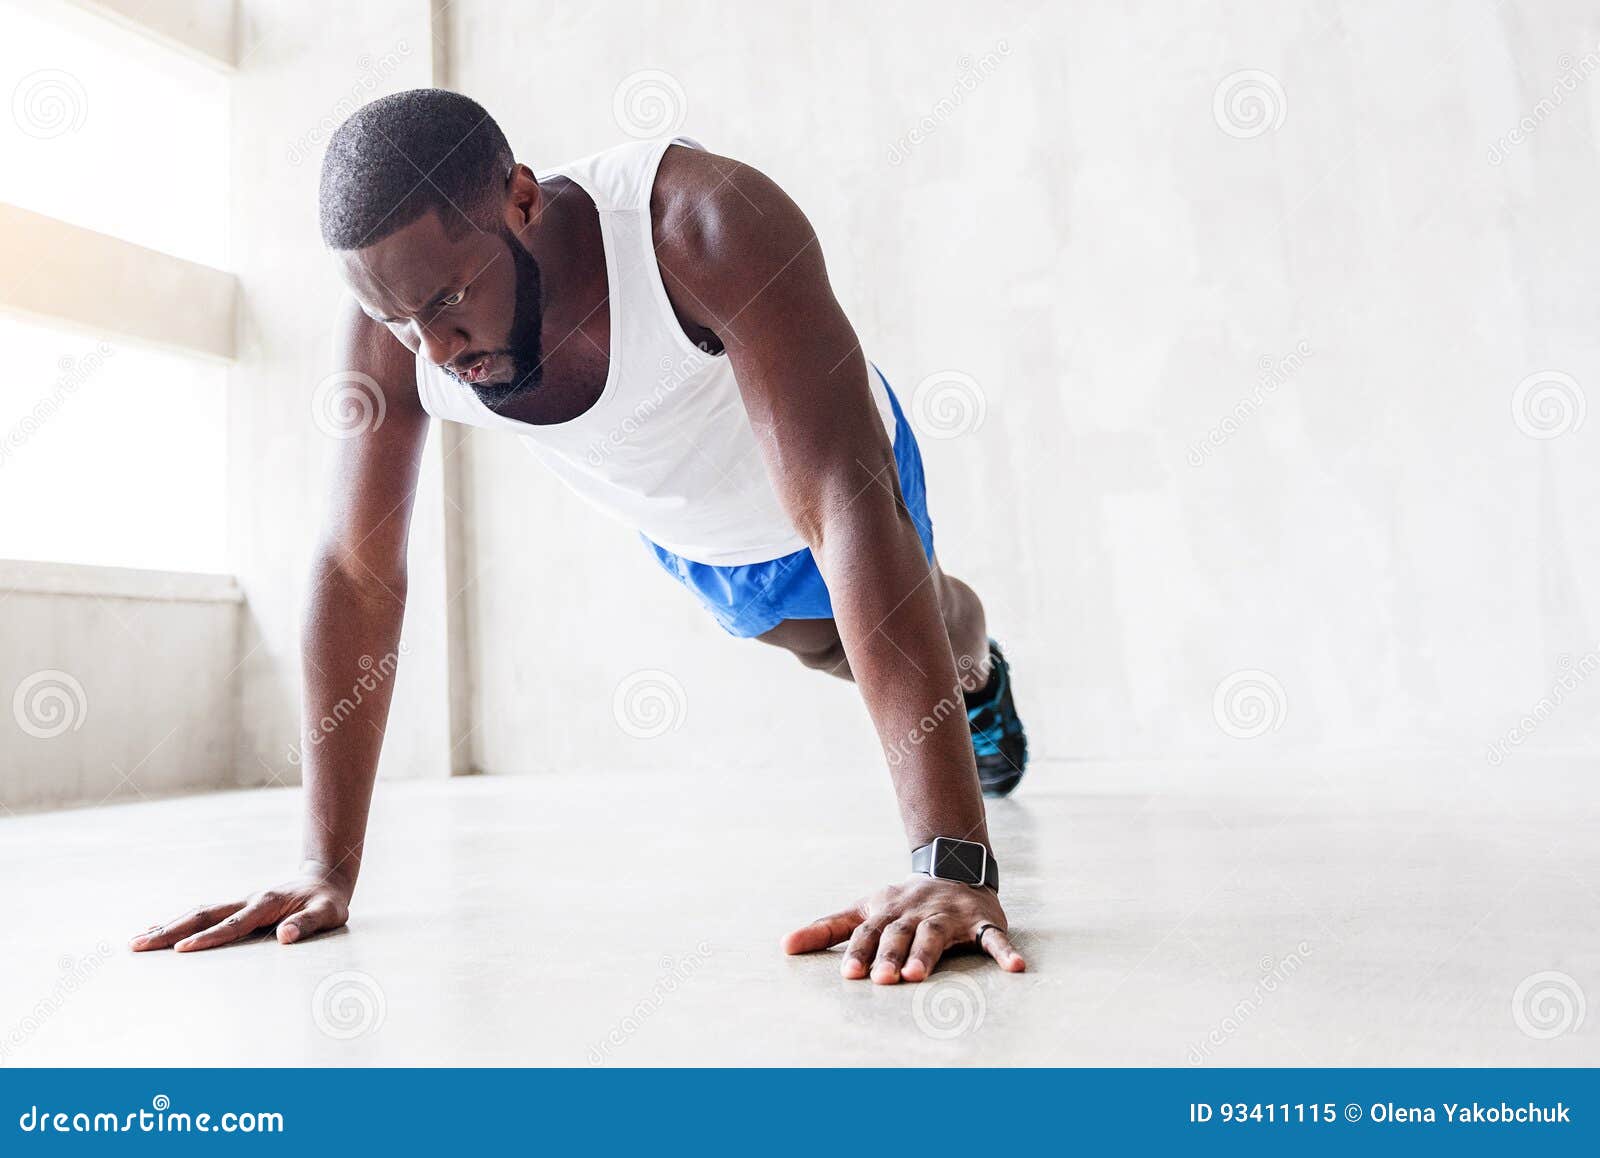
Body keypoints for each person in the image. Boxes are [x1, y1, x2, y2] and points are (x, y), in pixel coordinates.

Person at [132, 89, 1029, 984]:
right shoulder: (394, 334)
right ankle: (945, 670)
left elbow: (841, 504)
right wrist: (324, 869)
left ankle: (976, 671)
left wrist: (950, 864)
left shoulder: (701, 222)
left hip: (841, 469)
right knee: (825, 649)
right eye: (401, 321)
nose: (434, 350)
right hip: (694, 534)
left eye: (447, 300)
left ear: (521, 198)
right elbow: (356, 572)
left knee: (927, 628)